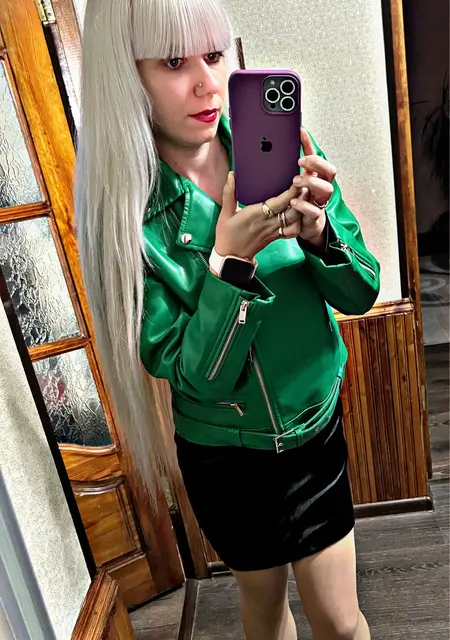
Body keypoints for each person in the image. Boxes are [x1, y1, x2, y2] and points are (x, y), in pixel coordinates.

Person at [75, 0, 380, 638]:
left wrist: (323, 236)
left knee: (342, 623)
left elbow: (360, 293)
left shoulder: (280, 147)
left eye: (213, 55)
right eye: (173, 62)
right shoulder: (130, 220)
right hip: (226, 459)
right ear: (126, 74)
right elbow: (198, 376)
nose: (206, 83)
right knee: (265, 614)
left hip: (313, 433)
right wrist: (228, 267)